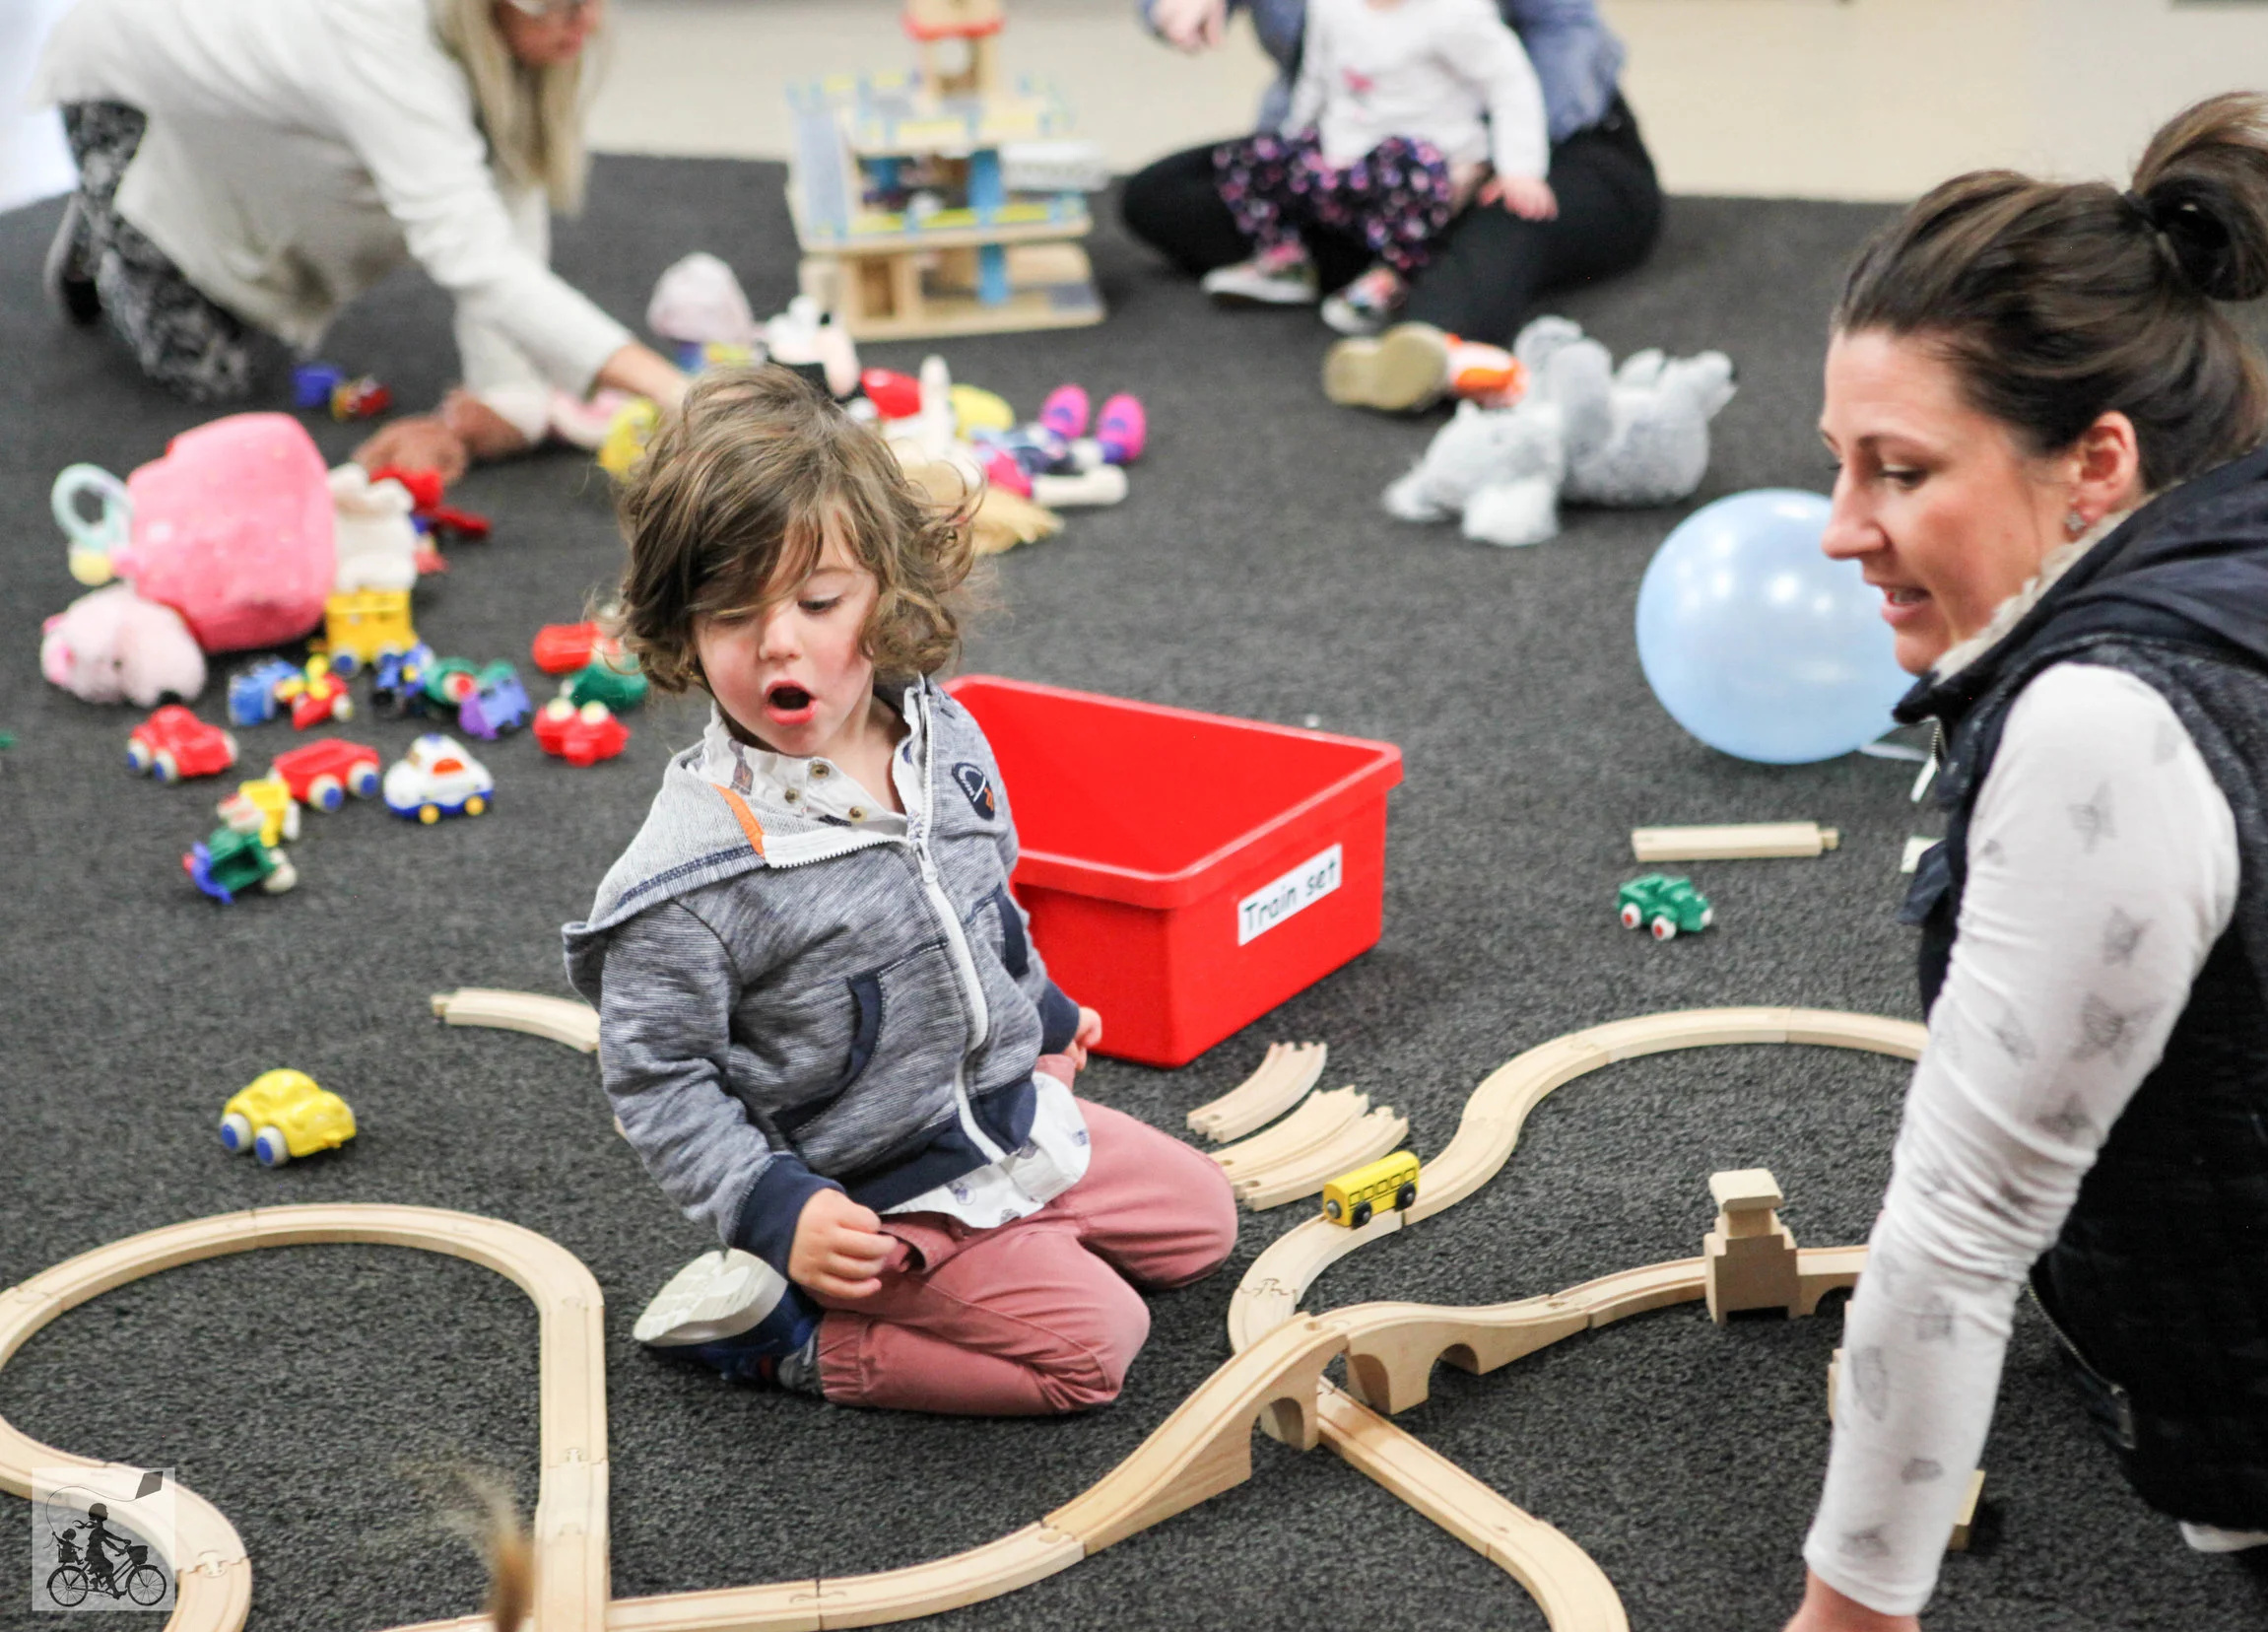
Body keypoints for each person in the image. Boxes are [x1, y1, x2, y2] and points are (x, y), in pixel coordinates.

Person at [1782, 92, 2268, 1632]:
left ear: (2096, 459)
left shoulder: (2109, 723)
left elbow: (1960, 1231)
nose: (1839, 528)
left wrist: (1850, 1615)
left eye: (1898, 471)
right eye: (1839, 463)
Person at [563, 367, 1239, 1415]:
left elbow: (981, 895)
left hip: (1008, 1116)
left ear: (885, 590)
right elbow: (659, 1080)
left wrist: (1040, 1007)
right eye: (733, 616)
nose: (779, 641)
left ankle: (1019, 1247)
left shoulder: (941, 737)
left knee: (1206, 1222)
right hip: (877, 1194)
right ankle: (795, 1339)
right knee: (1097, 1348)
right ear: (682, 633)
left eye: (819, 601)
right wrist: (776, 1209)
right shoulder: (684, 884)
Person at [33, 0, 687, 483]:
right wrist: (670, 390)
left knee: (401, 180)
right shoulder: (386, 33)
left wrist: (505, 393)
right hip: (123, 83)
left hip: (246, 108)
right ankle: (114, 223)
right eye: (567, 8)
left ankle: (163, 217)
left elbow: (506, 186)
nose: (590, 23)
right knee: (210, 378)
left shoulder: (479, 34)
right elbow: (473, 255)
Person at [1124, 0, 1659, 412]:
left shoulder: (1457, 20)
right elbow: (1310, 89)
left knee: (1504, 232)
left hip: (1519, 151)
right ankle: (1380, 258)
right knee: (1165, 195)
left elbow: (1557, 39)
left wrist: (1494, 162)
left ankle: (1421, 332)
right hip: (1366, 161)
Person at [1199, 0, 1553, 337]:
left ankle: (1393, 276)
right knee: (1242, 157)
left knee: (1413, 168)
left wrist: (1520, 168)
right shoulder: (1329, 7)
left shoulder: (1454, 13)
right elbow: (1316, 76)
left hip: (1419, 168)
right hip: (1344, 160)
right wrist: (1295, 140)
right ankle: (1287, 262)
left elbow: (1509, 82)